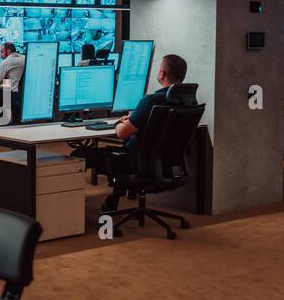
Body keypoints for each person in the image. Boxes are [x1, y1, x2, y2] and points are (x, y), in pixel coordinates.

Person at [81, 54, 197, 211]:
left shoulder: (150, 101)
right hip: (170, 165)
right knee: (126, 152)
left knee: (80, 154)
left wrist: (120, 123)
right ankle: (112, 201)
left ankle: (72, 209)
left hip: (139, 164)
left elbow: (122, 133)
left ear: (162, 74)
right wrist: (136, 119)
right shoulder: (189, 102)